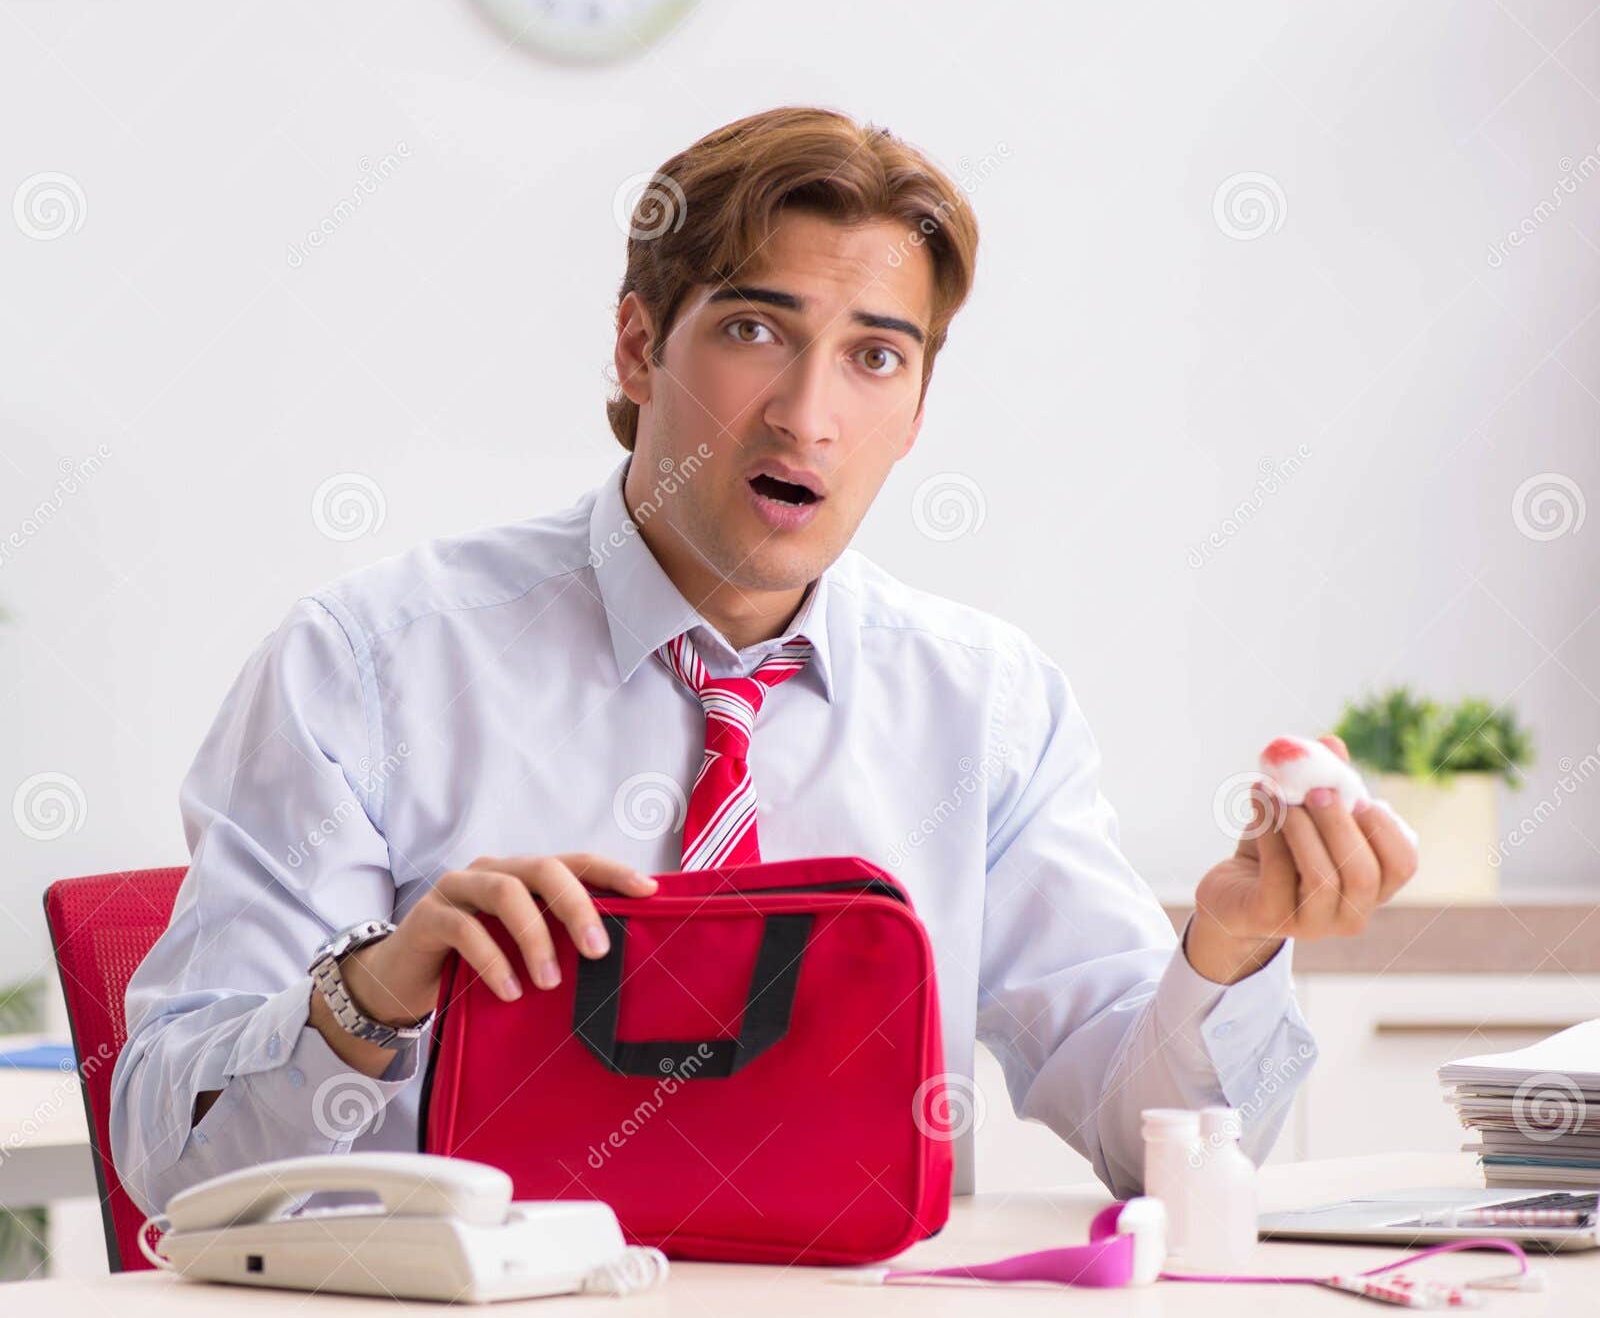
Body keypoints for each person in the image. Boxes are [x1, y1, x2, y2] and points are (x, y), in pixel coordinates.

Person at [111, 106, 1417, 1218]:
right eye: (753, 331)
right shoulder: (371, 665)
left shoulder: (987, 706)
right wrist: (378, 992)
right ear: (638, 347)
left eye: (874, 356)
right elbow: (169, 1161)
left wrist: (1228, 950)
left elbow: (1156, 1156)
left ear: (914, 414)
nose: (807, 411)